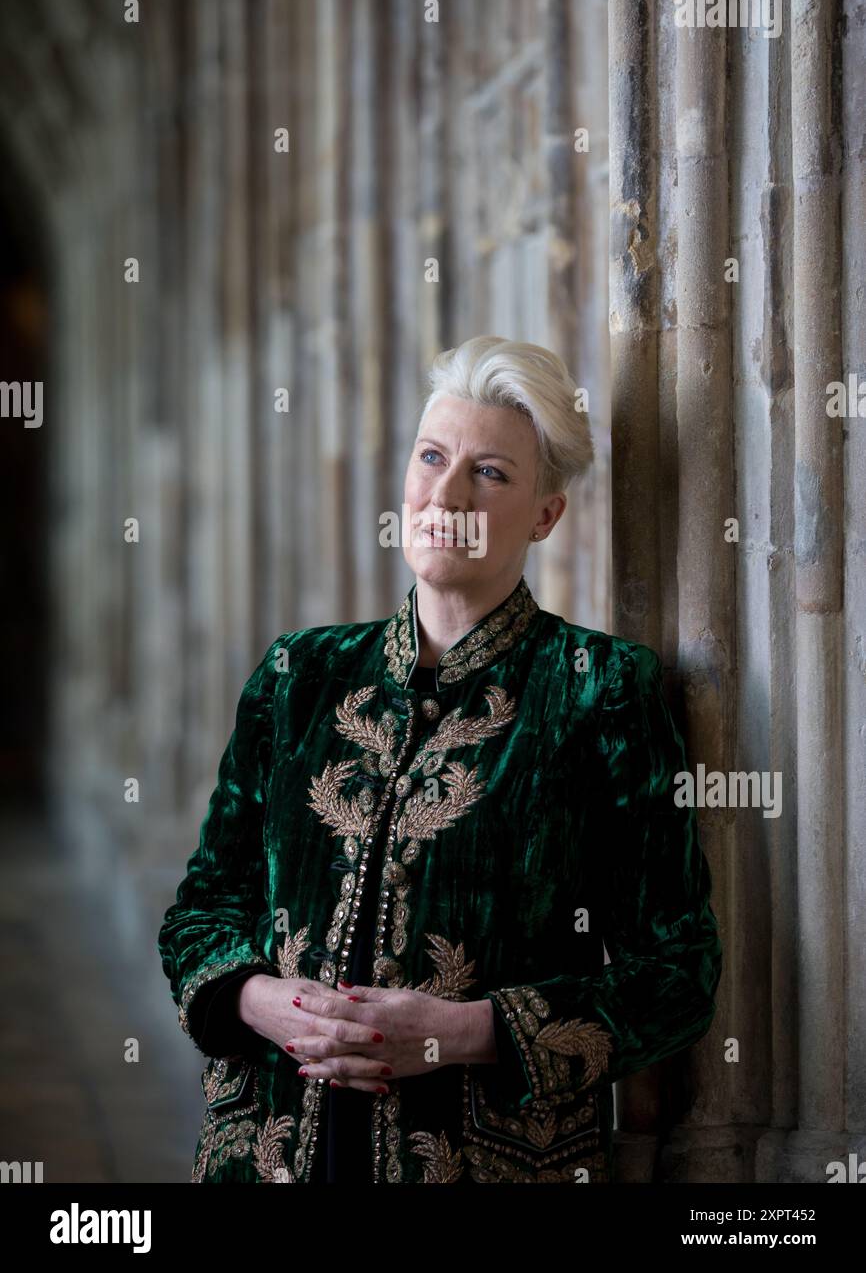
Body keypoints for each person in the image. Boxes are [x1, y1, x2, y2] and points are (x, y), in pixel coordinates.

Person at [157, 334, 723, 1184]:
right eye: (432, 457)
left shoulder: (599, 691)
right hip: (270, 1152)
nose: (447, 493)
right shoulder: (297, 676)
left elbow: (676, 973)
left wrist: (463, 1032)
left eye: (489, 472)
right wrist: (259, 1001)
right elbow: (204, 906)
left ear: (545, 515)